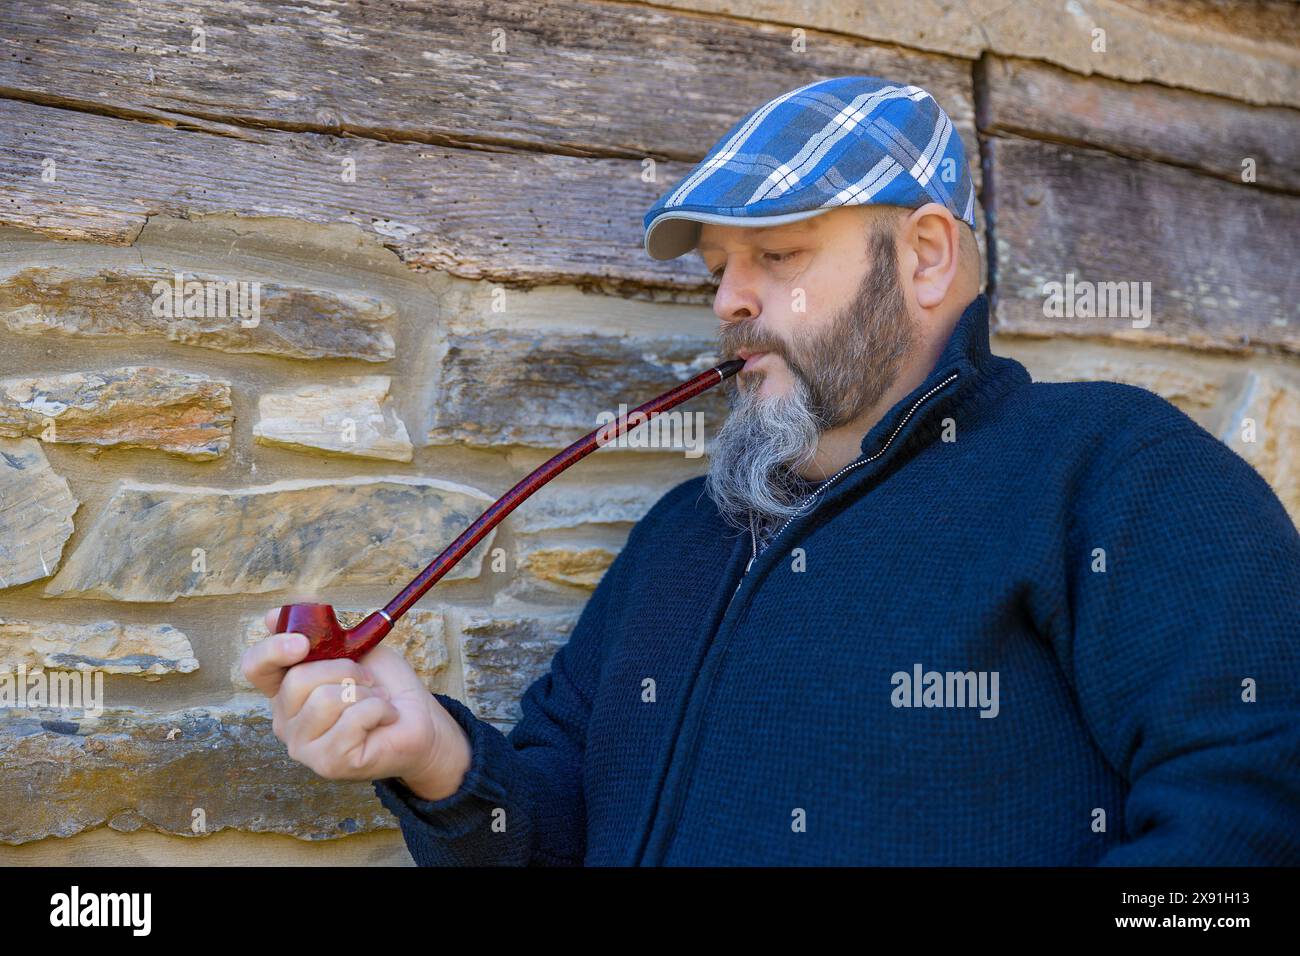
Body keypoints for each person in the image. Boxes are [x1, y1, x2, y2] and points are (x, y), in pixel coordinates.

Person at [241, 76, 1300, 865]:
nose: (728, 301)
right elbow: (552, 825)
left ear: (924, 255)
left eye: (778, 256)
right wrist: (435, 757)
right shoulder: (680, 532)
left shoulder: (1114, 470)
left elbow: (1254, 815)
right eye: (717, 271)